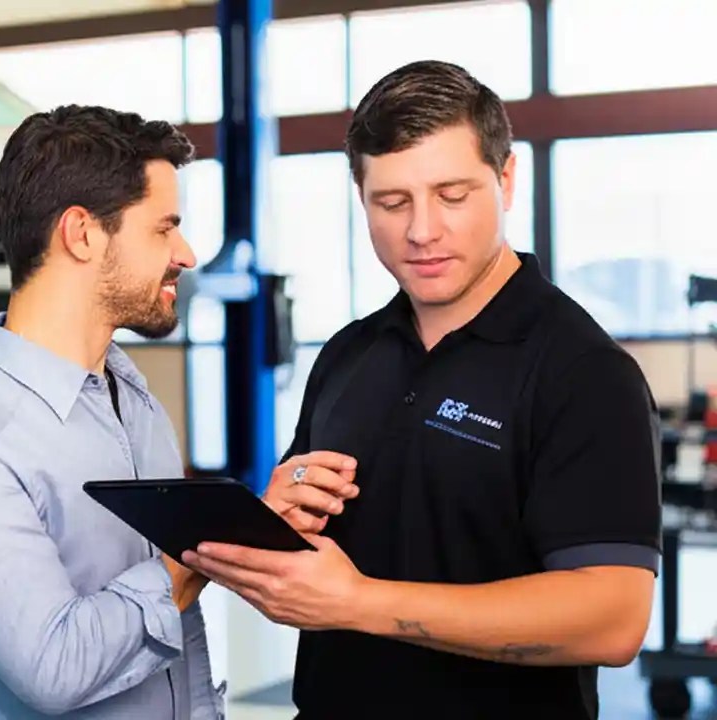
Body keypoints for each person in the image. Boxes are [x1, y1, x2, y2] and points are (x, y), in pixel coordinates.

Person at [183, 60, 662, 719]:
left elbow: (612, 620)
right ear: (362, 198)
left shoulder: (582, 371)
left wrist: (360, 602)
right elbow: (315, 556)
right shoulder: (348, 354)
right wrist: (270, 528)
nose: (422, 230)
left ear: (507, 179)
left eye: (453, 195)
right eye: (392, 201)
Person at [0, 105, 224, 719]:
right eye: (163, 228)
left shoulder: (133, 399)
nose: (186, 252)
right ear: (82, 233)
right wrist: (199, 557)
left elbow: (178, 647)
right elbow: (55, 667)